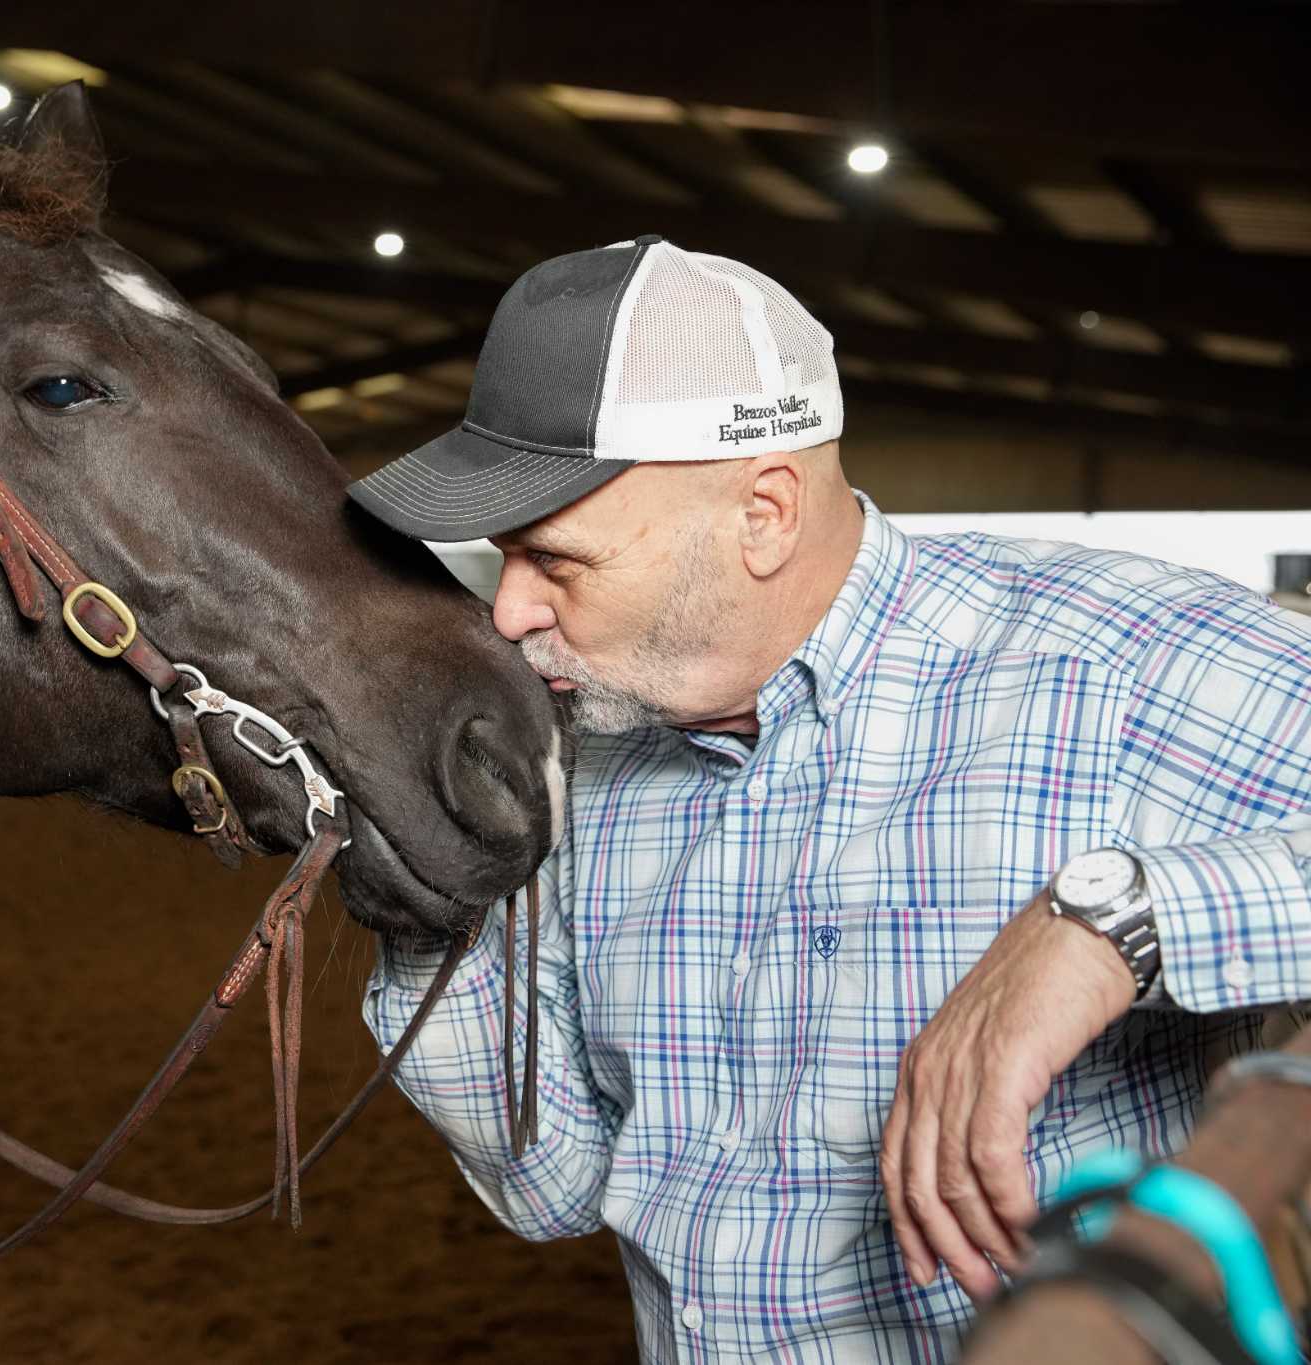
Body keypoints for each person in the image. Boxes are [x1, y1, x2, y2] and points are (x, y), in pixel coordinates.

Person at [346, 235, 1311, 1363]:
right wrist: (428, 907)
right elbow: (549, 1189)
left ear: (763, 512)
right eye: (501, 558)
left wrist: (1113, 921)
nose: (509, 613)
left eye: (555, 560)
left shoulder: (1126, 662)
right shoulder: (588, 751)